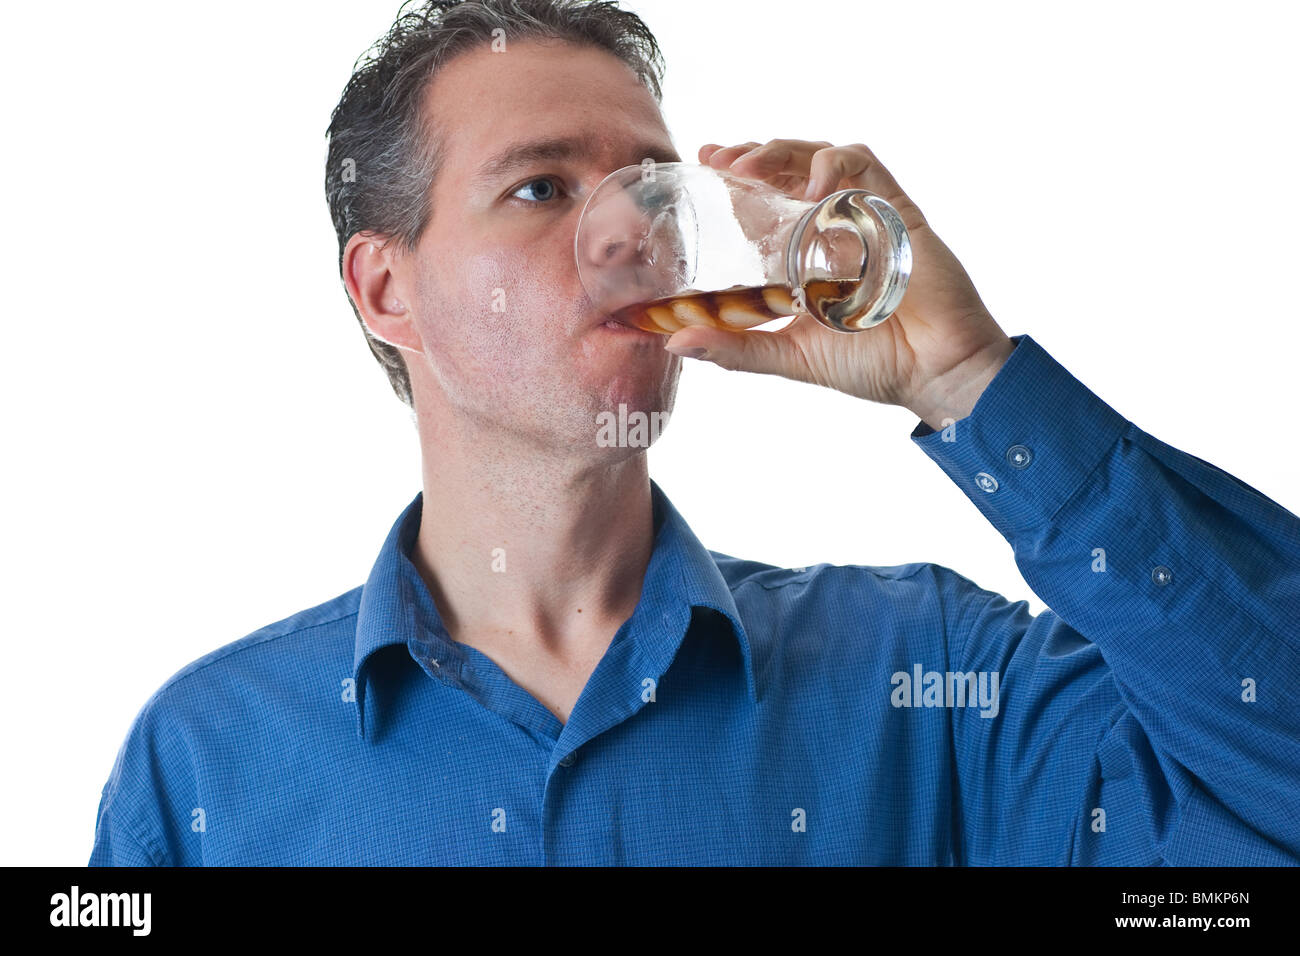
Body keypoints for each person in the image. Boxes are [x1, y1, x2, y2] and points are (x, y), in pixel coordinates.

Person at [89, 0, 1300, 866]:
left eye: (650, 187)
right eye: (542, 187)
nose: (629, 235)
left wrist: (968, 375)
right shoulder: (204, 762)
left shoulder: (928, 683)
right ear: (385, 288)